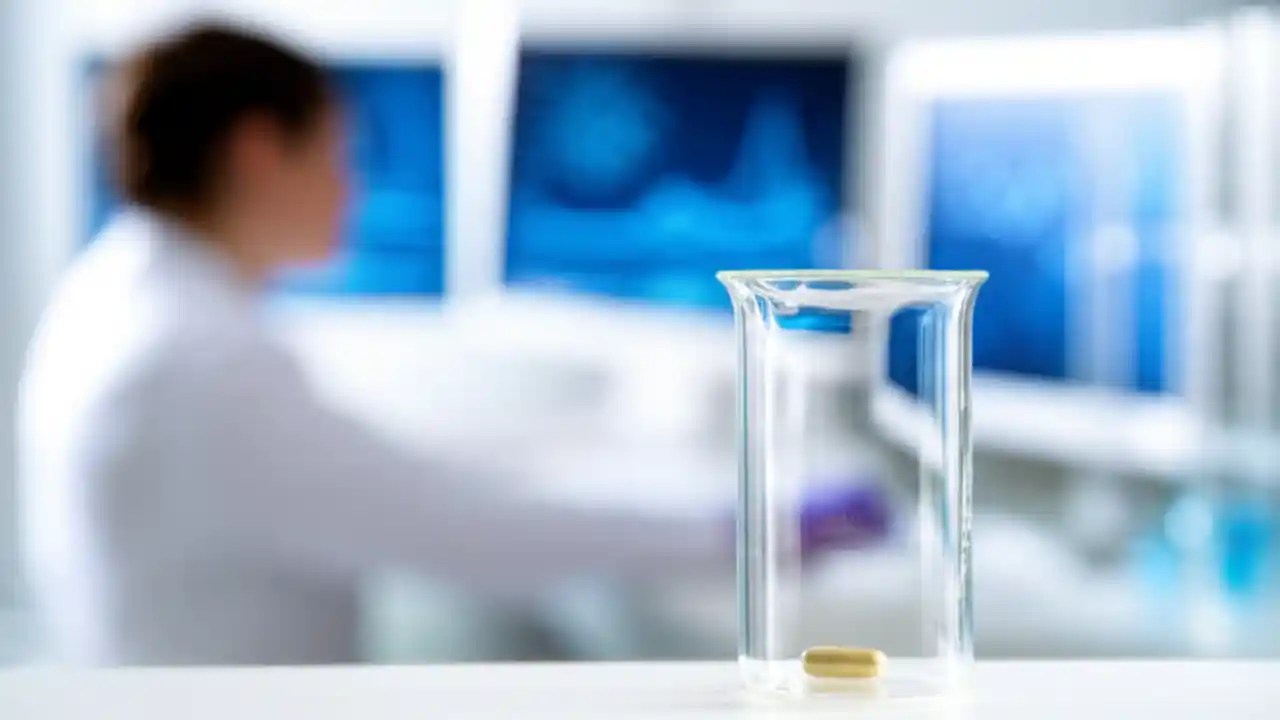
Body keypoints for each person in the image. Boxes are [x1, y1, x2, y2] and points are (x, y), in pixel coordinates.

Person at [18, 23, 878, 666]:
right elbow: (480, 535)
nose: (352, 187)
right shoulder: (198, 365)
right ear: (257, 152)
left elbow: (365, 473)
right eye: (339, 154)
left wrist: (577, 448)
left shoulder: (130, 296)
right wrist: (748, 530)